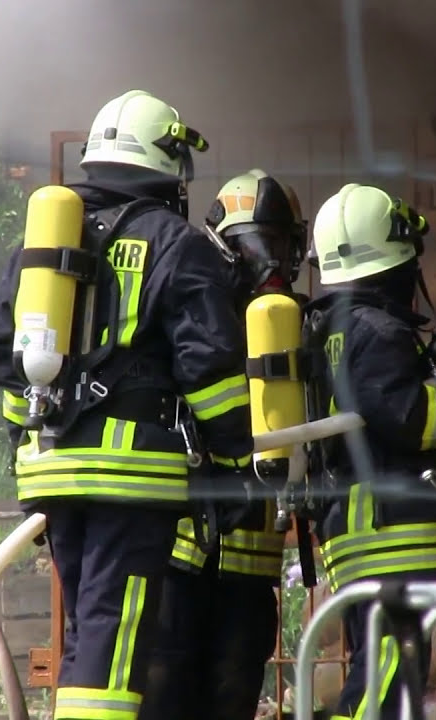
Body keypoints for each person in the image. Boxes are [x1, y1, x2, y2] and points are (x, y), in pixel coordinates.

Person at [0, 89, 253, 720]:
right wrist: (234, 457)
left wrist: (39, 431)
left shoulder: (42, 245)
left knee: (89, 623)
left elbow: (2, 353)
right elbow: (208, 366)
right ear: (167, 164)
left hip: (52, 467)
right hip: (129, 475)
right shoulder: (175, 243)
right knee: (115, 632)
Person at [302, 183, 436, 720]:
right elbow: (405, 417)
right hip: (391, 532)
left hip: (365, 530)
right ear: (399, 254)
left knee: (390, 678)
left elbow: (374, 412)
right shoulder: (373, 328)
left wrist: (435, 364)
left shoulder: (334, 327)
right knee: (386, 685)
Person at [139, 169, 310, 720]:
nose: (273, 263)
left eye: (283, 246)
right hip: (181, 550)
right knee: (165, 687)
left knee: (233, 692)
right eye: (259, 245)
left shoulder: (299, 324)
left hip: (251, 561)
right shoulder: (192, 309)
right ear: (224, 247)